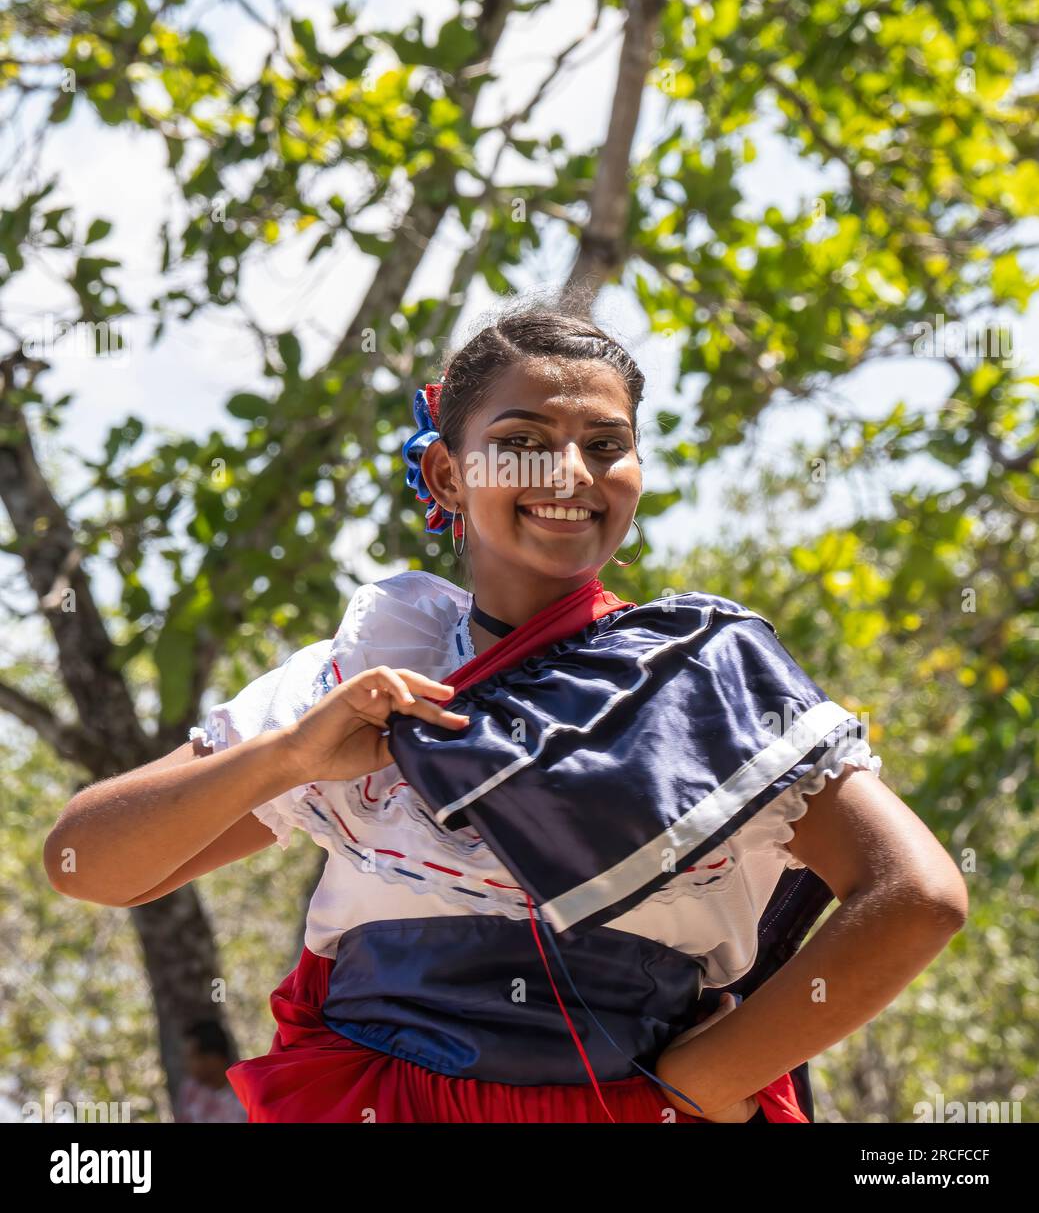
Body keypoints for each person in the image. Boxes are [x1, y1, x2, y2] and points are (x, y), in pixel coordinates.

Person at [44, 308, 968, 1124]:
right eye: (523, 440)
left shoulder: (707, 679)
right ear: (446, 474)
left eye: (604, 445)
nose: (569, 473)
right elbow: (84, 863)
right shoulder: (366, 672)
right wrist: (288, 758)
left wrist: (700, 1081)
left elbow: (915, 896)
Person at [175, 1020, 247, 1123]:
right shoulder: (191, 1090)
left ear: (214, 1058)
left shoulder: (243, 1096)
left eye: (192, 1057)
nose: (186, 1064)